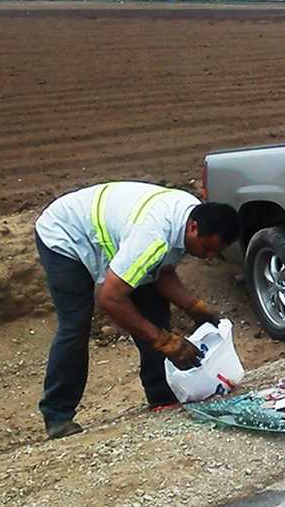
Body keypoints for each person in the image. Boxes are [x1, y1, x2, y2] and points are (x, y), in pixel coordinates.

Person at [33, 181, 240, 439]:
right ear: (193, 227)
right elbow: (110, 299)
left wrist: (195, 308)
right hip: (66, 234)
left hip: (124, 238)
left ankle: (162, 396)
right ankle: (58, 415)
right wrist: (163, 341)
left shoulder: (190, 218)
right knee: (75, 323)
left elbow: (161, 272)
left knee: (154, 309)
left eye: (215, 252)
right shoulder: (152, 237)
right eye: (207, 248)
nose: (208, 256)